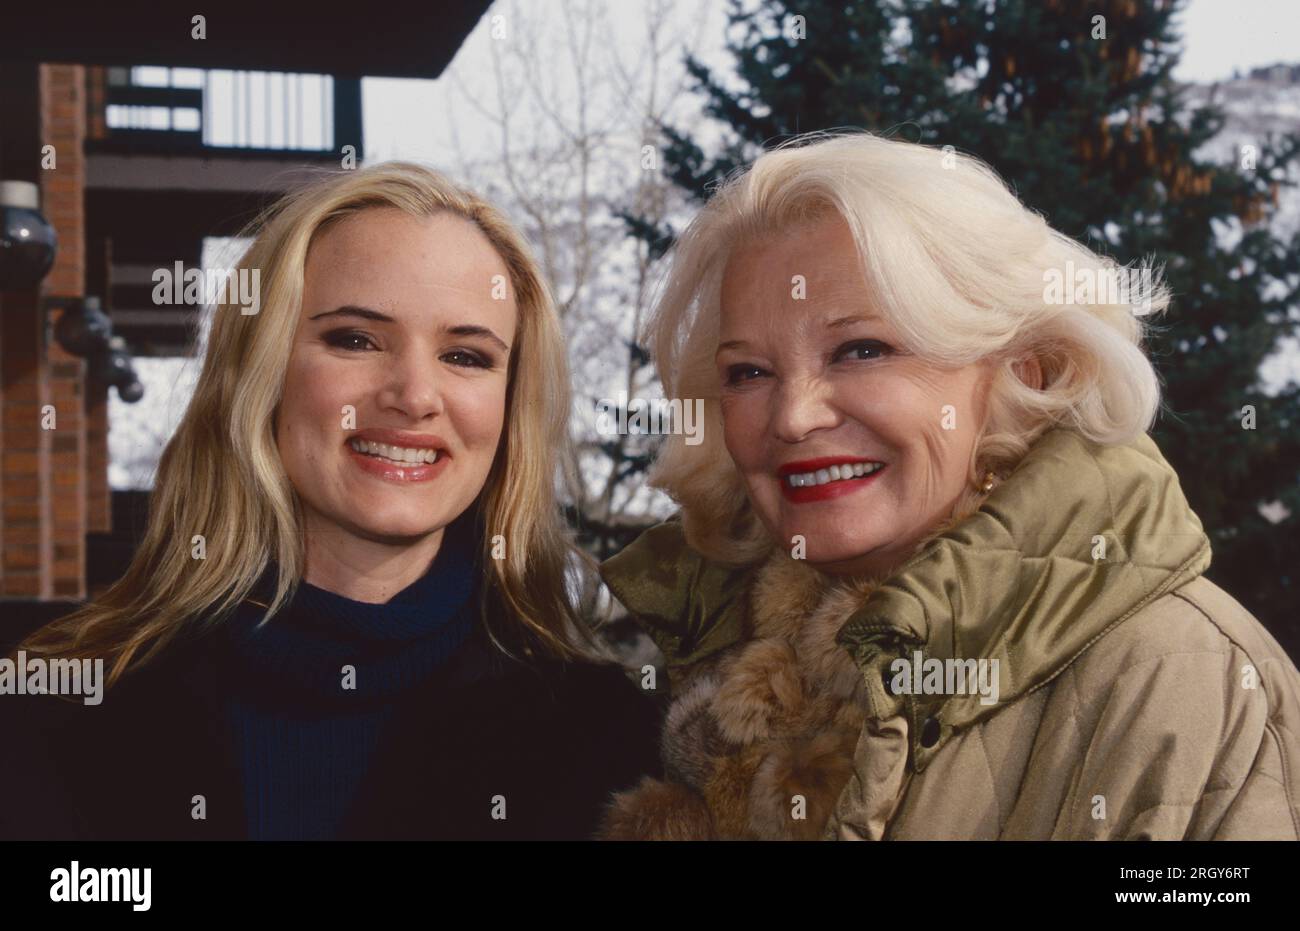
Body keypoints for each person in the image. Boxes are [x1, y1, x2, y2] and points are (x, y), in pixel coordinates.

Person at [596, 131, 1300, 841]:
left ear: (1027, 368)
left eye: (862, 349)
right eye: (749, 372)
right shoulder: (695, 672)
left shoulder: (1189, 682)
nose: (793, 416)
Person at [0, 162, 660, 841]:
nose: (413, 394)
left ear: (510, 403)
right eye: (354, 338)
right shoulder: (56, 705)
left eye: (465, 356)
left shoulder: (619, 752)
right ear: (263, 371)